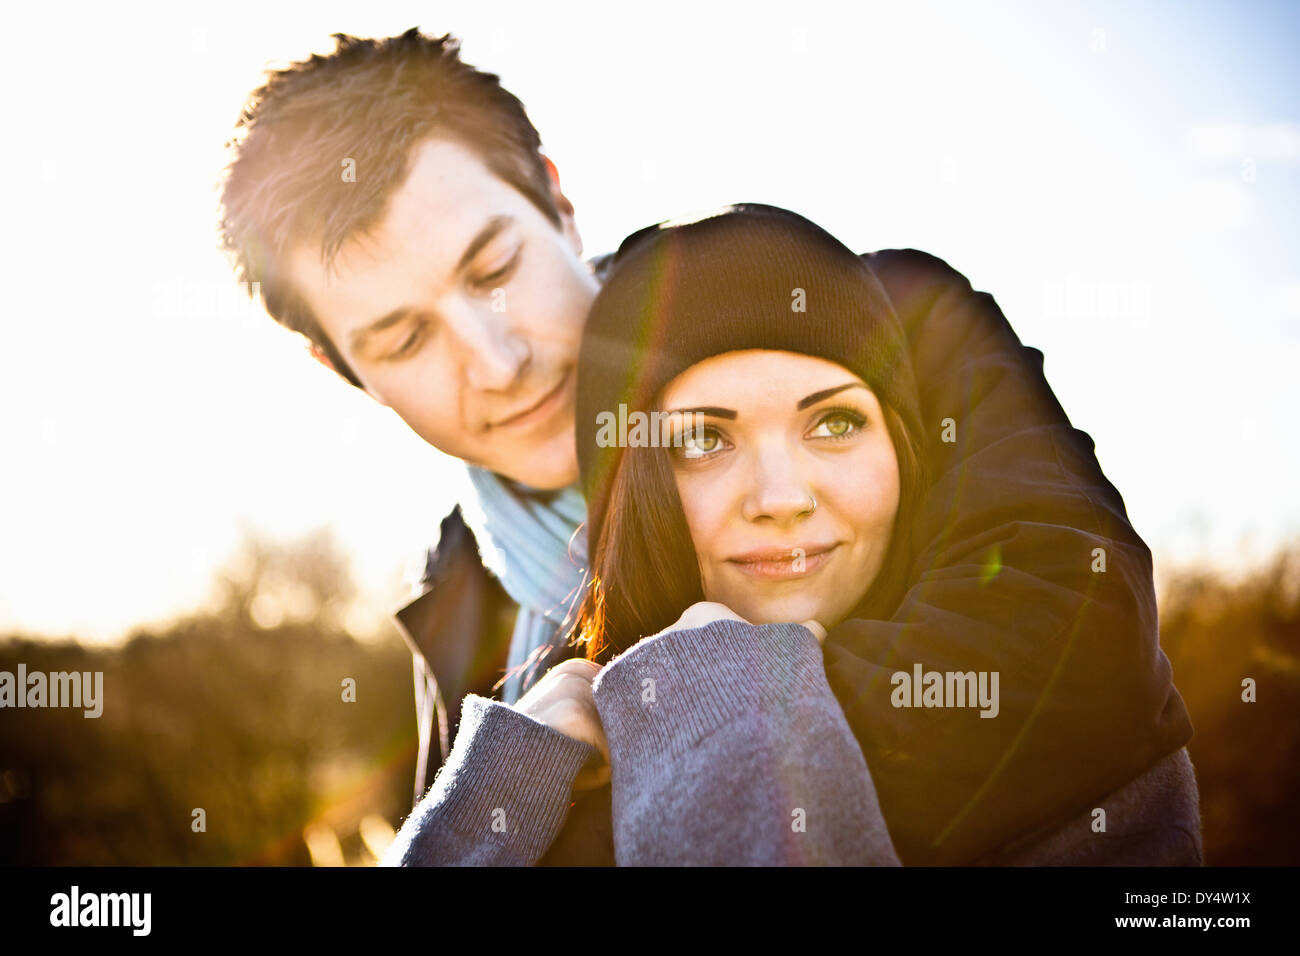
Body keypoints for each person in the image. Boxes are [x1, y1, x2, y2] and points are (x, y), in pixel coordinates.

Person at [217, 29, 1198, 865]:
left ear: (557, 202)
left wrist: (624, 748)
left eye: (495, 266)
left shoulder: (877, 320)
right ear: (338, 364)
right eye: (403, 337)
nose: (499, 360)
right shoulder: (462, 593)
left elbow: (1073, 655)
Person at [382, 205, 1200, 866]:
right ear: (631, 495)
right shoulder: (542, 766)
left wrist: (715, 683)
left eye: (836, 422)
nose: (781, 497)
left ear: (905, 452)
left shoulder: (1096, 754)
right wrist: (500, 782)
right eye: (703, 438)